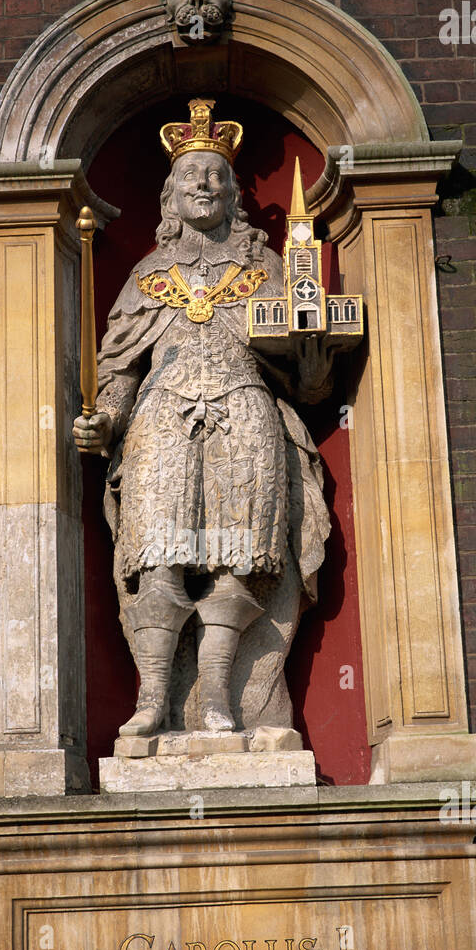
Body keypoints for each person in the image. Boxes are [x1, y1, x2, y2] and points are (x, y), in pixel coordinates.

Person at [73, 100, 336, 741]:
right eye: (191, 173)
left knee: (238, 561)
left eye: (216, 174)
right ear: (169, 193)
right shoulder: (147, 275)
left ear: (234, 191)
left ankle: (220, 696)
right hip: (160, 422)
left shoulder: (267, 269)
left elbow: (308, 380)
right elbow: (119, 372)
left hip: (246, 414)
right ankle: (155, 697)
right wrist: (105, 420)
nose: (204, 184)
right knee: (157, 558)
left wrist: (312, 356)